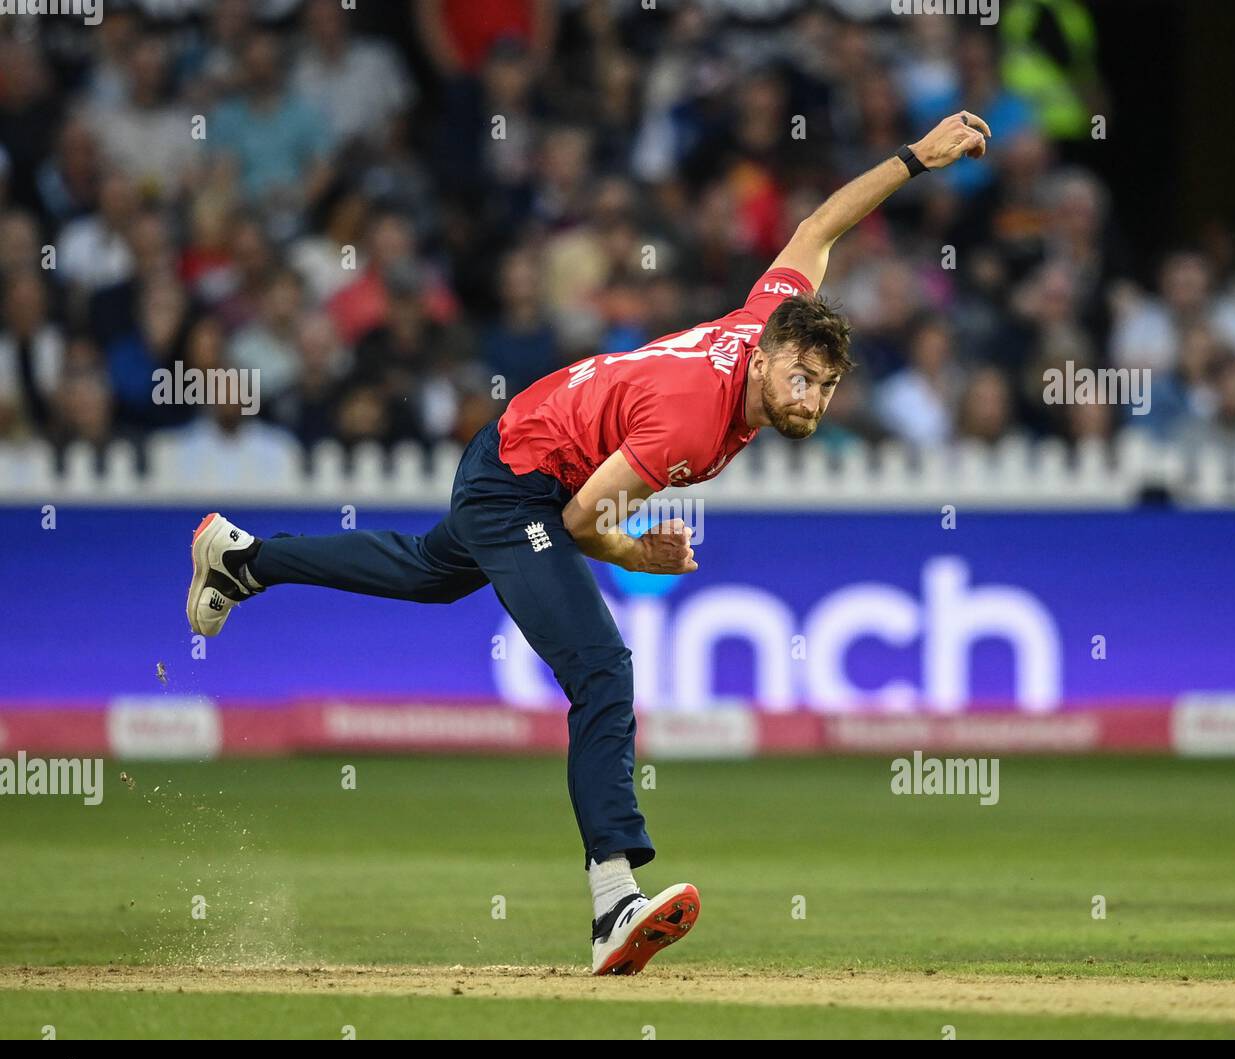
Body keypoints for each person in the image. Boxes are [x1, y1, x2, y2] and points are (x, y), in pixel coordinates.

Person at [184, 112, 992, 975]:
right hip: (524, 481)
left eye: (827, 388)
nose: (814, 400)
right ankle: (613, 901)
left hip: (522, 447)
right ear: (764, 359)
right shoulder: (690, 418)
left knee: (428, 573)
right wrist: (638, 554)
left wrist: (915, 158)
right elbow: (579, 524)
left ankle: (244, 559)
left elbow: (818, 226)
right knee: (603, 669)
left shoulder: (769, 317)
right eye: (803, 378)